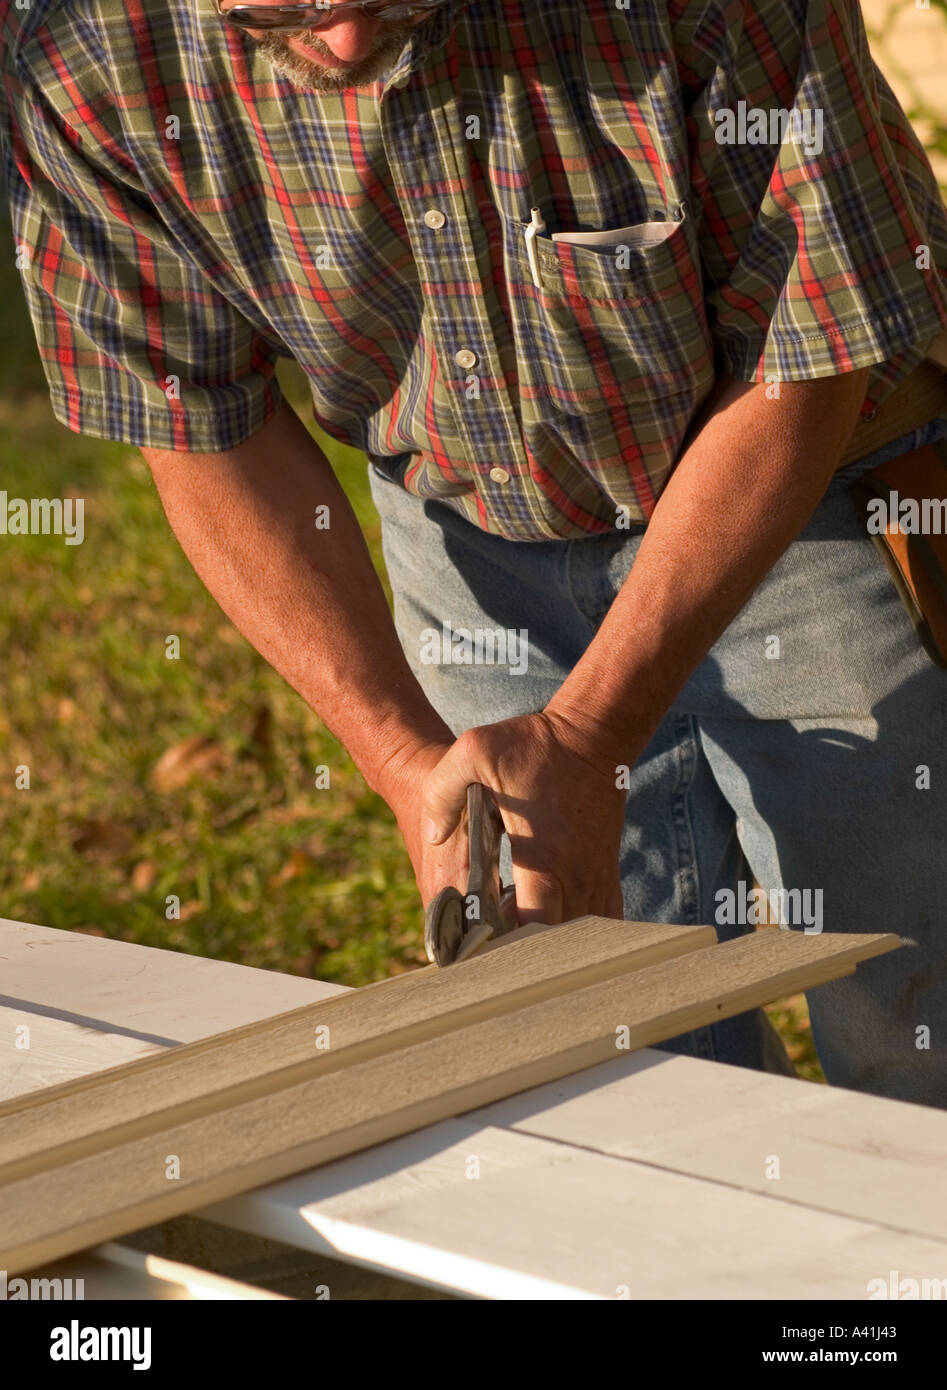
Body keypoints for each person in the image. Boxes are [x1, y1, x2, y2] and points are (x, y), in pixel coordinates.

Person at [2, 0, 946, 1104]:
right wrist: (405, 769)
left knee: (907, 994)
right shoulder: (84, 52)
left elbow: (808, 347)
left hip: (807, 487)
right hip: (464, 532)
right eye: (277, 9)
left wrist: (589, 732)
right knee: (608, 1034)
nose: (344, 43)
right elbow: (194, 413)